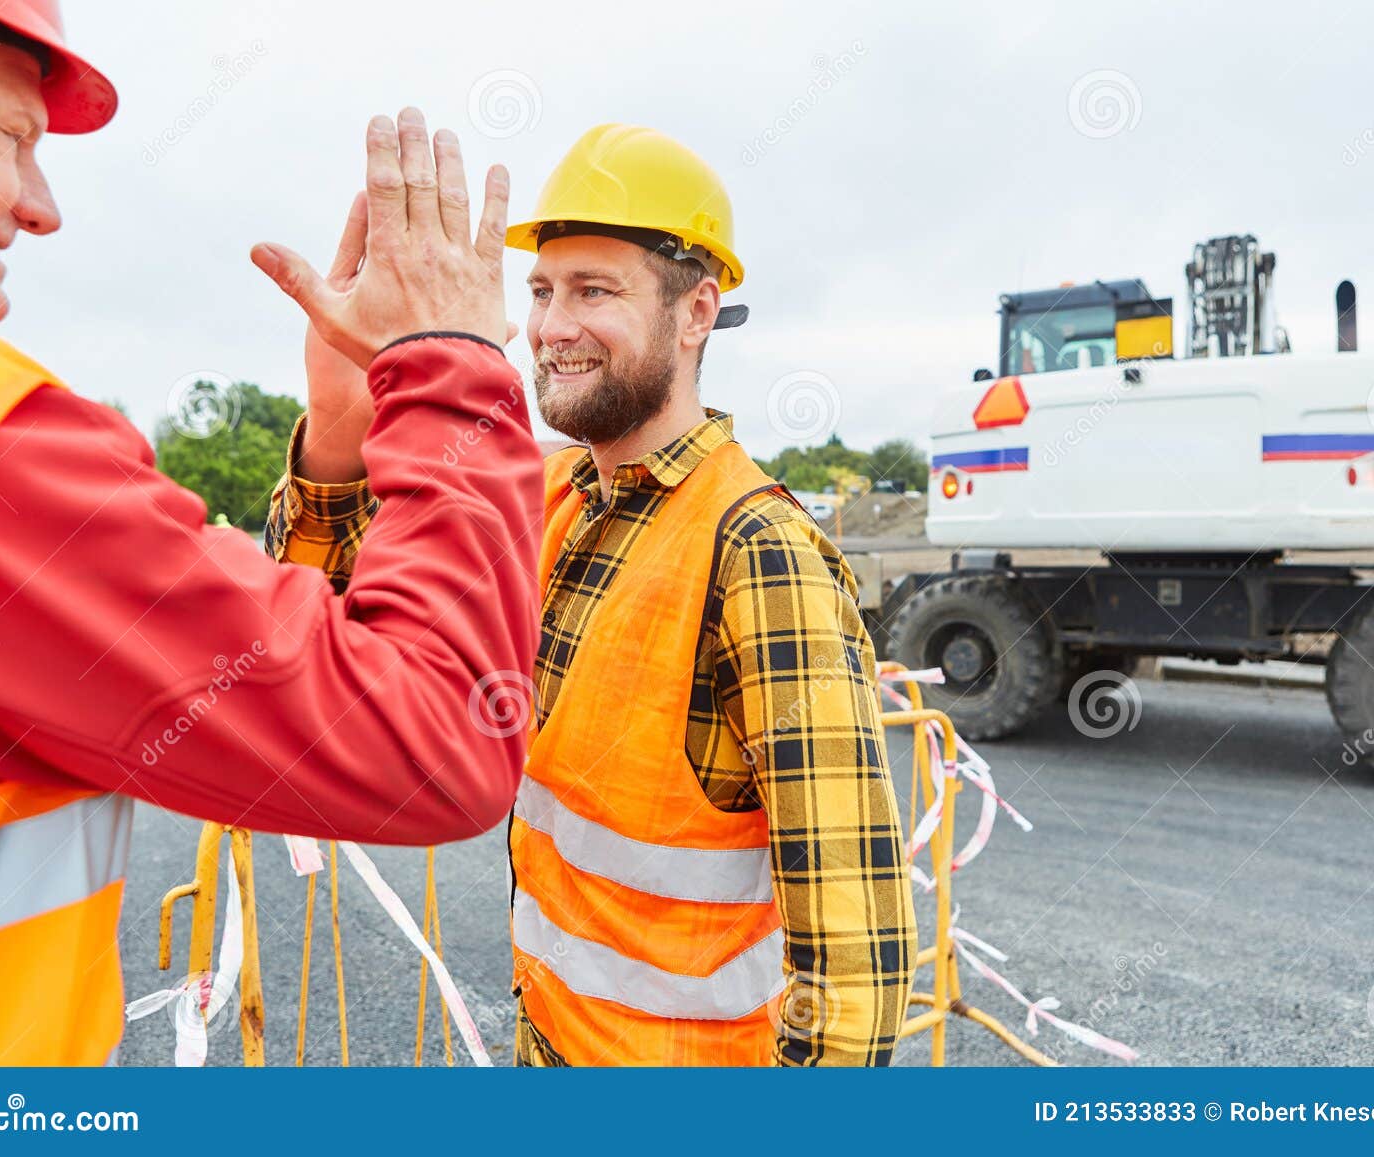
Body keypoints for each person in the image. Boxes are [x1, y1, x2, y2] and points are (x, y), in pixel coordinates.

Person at [0, 0, 540, 1065]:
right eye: (13, 138)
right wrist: (454, 370)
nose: (41, 208)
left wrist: (342, 450)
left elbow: (253, 675)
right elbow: (434, 733)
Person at [268, 124, 917, 1066]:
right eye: (540, 291)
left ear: (697, 312)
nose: (550, 327)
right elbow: (316, 636)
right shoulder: (546, 498)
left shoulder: (758, 550)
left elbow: (854, 964)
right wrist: (337, 422)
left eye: (594, 291)